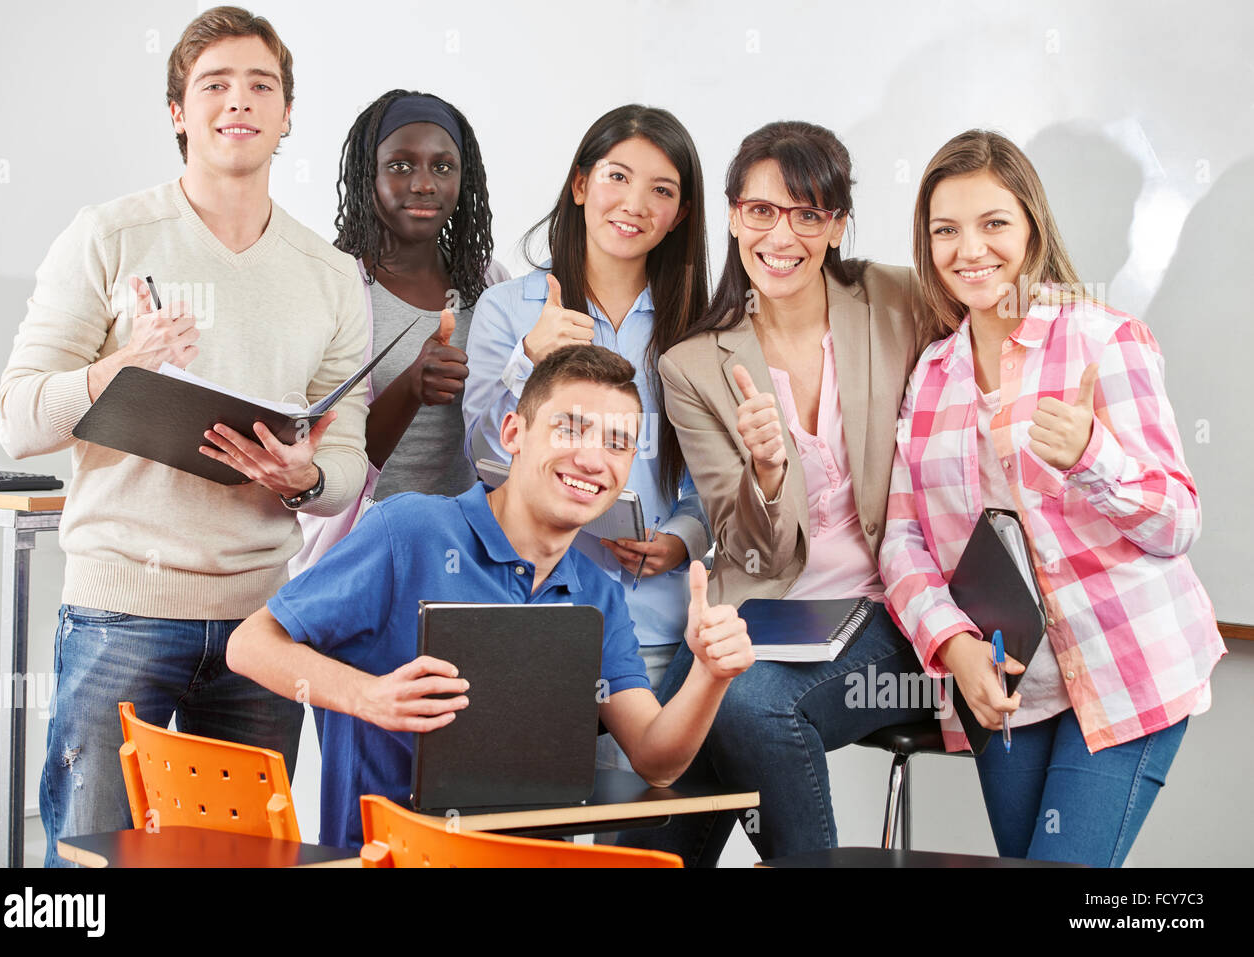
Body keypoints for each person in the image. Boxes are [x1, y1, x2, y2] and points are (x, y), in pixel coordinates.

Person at [0, 6, 369, 866]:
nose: (239, 101)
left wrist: (304, 477)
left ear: (285, 115)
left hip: (260, 625)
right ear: (178, 111)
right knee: (86, 869)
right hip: (119, 610)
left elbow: (344, 461)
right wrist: (117, 370)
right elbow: (14, 419)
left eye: (260, 85)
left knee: (243, 863)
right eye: (214, 85)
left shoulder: (330, 277)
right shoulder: (110, 235)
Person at [227, 346, 754, 848]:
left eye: (617, 443)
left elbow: (655, 759)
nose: (593, 459)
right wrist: (369, 697)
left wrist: (709, 676)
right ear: (512, 433)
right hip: (391, 854)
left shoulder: (598, 596)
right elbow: (250, 645)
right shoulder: (410, 530)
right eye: (569, 429)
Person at [880, 129, 1225, 866]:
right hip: (1008, 681)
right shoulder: (933, 372)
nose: (969, 249)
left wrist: (1093, 455)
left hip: (1126, 663)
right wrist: (952, 643)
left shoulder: (1105, 339)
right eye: (946, 230)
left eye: (993, 223)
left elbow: (1178, 520)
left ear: (1032, 225)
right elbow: (901, 541)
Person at [620, 121, 937, 865]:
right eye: (761, 211)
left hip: (886, 611)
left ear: (836, 224)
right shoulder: (694, 363)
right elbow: (747, 542)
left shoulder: (895, 299)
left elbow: (993, 327)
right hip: (760, 613)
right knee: (648, 811)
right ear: (733, 216)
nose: (781, 235)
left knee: (750, 703)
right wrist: (766, 472)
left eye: (808, 213)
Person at [462, 104, 712, 700]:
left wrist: (679, 540)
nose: (634, 204)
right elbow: (478, 456)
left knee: (653, 788)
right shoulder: (510, 309)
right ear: (580, 184)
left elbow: (711, 480)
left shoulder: (701, 330)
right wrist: (528, 361)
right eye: (616, 176)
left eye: (661, 190)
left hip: (660, 628)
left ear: (678, 215)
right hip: (533, 614)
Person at [290, 88, 507, 573]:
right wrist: (411, 386)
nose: (425, 184)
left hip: (463, 549)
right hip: (356, 550)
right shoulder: (333, 283)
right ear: (367, 175)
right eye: (401, 166)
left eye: (443, 167)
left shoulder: (489, 282)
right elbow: (318, 448)